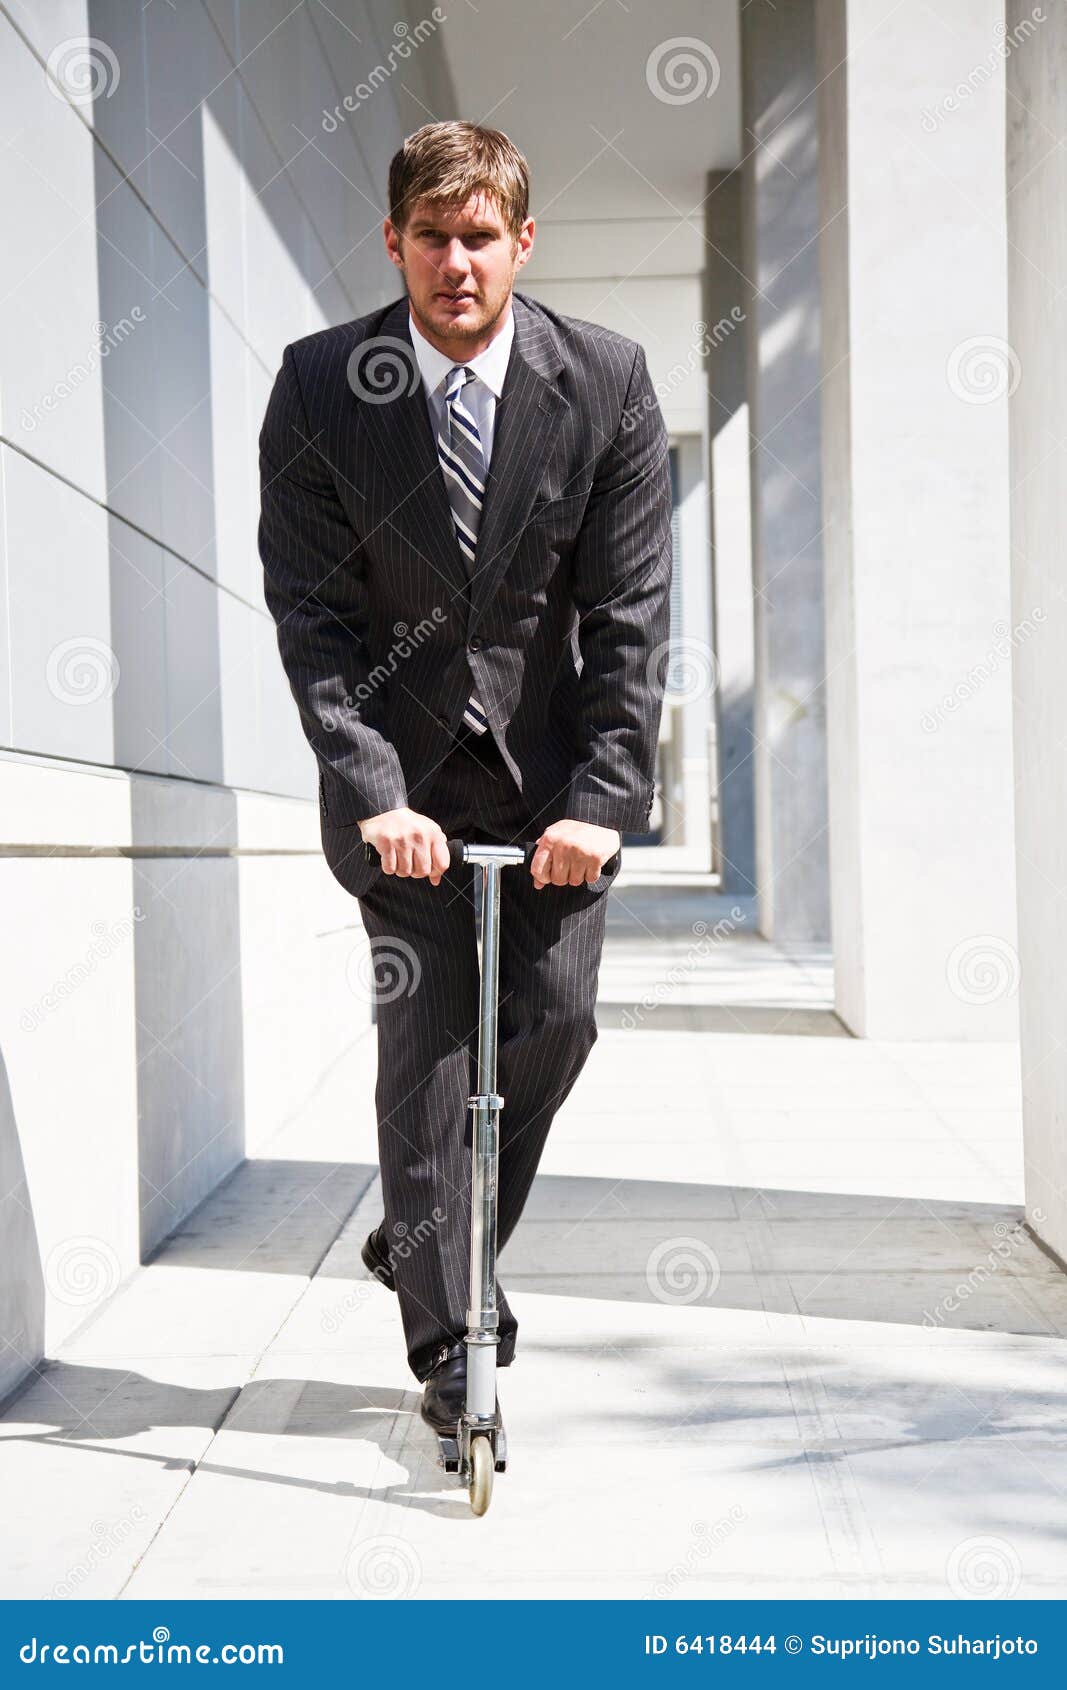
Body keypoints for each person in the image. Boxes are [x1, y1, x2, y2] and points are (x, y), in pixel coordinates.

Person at [258, 120, 672, 1434]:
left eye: (479, 236)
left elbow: (630, 615)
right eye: (429, 237)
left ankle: (424, 1232)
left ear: (522, 242)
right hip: (405, 800)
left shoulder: (604, 381)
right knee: (431, 1051)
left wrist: (603, 801)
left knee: (554, 1022)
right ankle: (454, 1343)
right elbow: (316, 619)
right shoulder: (323, 386)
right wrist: (374, 787)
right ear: (393, 242)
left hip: (552, 787)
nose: (455, 261)